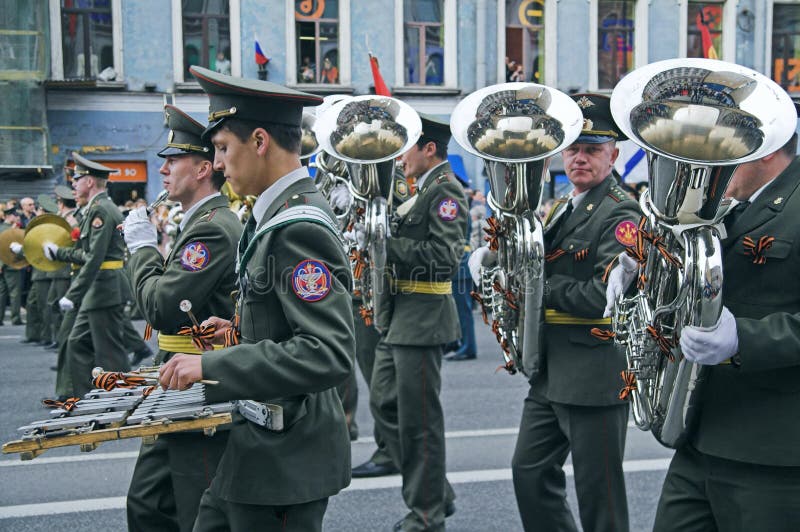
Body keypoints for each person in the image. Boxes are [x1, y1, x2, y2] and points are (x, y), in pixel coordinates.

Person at [158, 65, 355, 532]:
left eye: (224, 147)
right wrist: (239, 331)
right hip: (259, 438)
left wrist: (209, 366)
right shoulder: (275, 212)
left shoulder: (298, 225)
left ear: (260, 141)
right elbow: (285, 321)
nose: (219, 163)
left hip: (285, 455)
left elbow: (327, 352)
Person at [474, 94, 639, 532]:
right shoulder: (566, 202)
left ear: (613, 155)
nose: (579, 158)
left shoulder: (621, 211)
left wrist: (531, 286)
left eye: (592, 150)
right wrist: (494, 260)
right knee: (528, 472)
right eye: (573, 149)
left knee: (599, 498)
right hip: (551, 371)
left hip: (593, 373)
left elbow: (603, 296)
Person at [644, 131, 800, 531]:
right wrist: (641, 269)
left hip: (771, 452)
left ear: (763, 152)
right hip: (700, 436)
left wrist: (743, 339)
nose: (710, 166)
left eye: (723, 153)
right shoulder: (729, 205)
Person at [124, 104, 241, 532]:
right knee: (149, 503)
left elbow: (161, 309)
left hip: (197, 379)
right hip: (176, 375)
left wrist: (141, 249)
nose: (164, 170)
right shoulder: (202, 222)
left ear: (204, 168)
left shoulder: (211, 227)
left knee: (191, 505)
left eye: (174, 160)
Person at [367, 113, 466, 531]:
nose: (400, 158)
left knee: (420, 423)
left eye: (406, 148)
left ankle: (427, 514)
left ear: (429, 149)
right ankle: (436, 492)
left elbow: (444, 260)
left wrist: (385, 244)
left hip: (423, 318)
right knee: (384, 402)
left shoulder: (445, 192)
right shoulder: (421, 189)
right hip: (402, 319)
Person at [42, 152, 130, 397]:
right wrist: (60, 253)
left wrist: (73, 293)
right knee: (77, 343)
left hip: (104, 288)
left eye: (77, 178)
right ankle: (81, 399)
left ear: (90, 181)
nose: (73, 183)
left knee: (110, 351)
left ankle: (126, 396)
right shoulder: (96, 208)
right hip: (98, 289)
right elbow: (88, 254)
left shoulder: (101, 210)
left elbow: (94, 257)